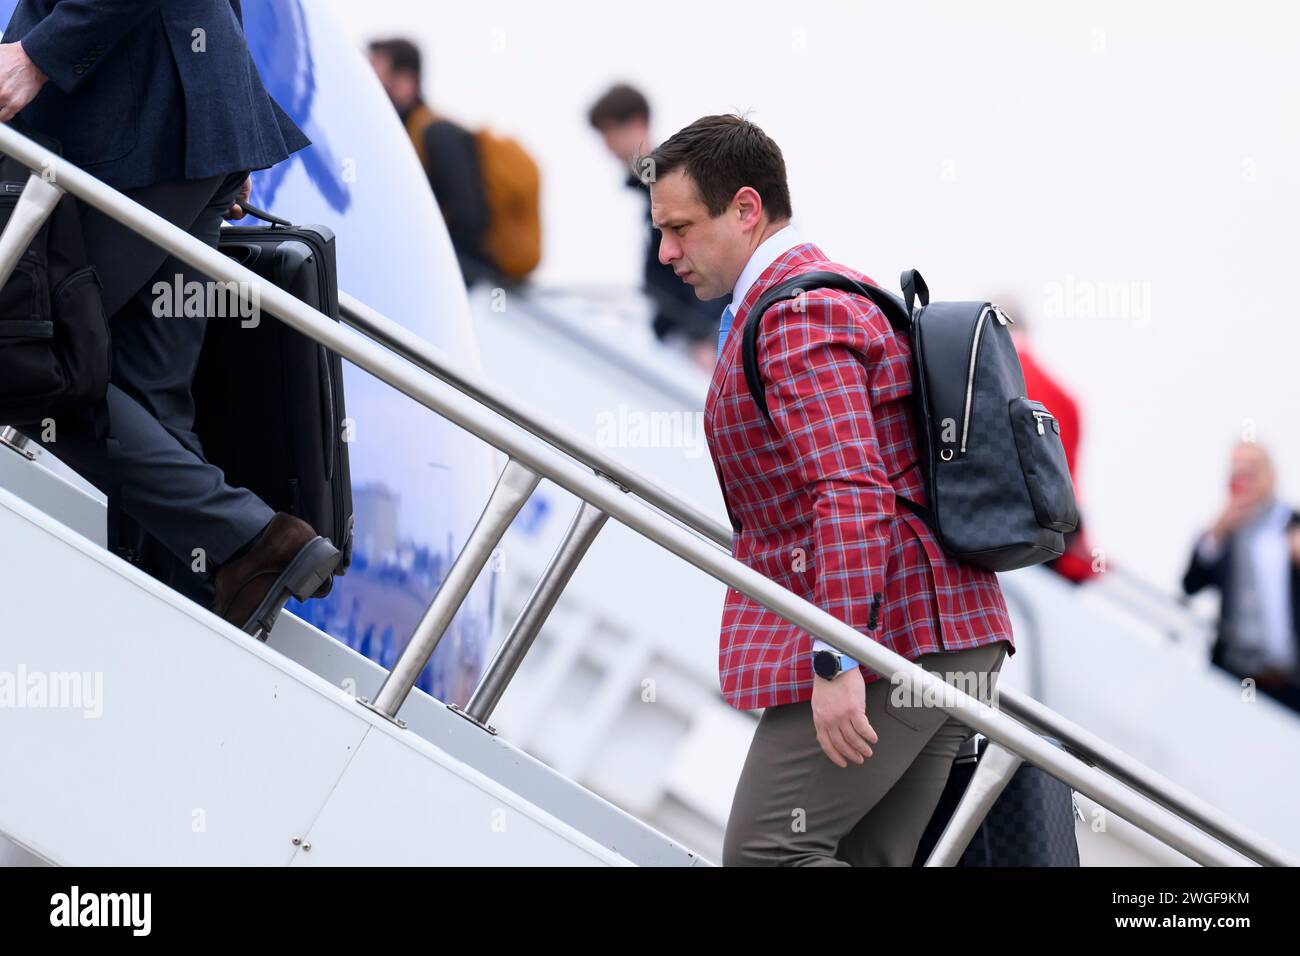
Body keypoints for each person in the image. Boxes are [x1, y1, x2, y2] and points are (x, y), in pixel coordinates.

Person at [644, 114, 1014, 866]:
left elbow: (851, 492)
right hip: (949, 636)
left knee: (768, 853)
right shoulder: (822, 291)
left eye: (680, 227)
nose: (666, 252)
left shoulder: (795, 315)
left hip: (895, 640)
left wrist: (837, 659)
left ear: (746, 209)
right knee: (863, 857)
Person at [0, 0, 340, 637]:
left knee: (29, 359)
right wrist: (219, 118)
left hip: (136, 122)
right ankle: (191, 605)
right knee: (145, 395)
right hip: (188, 124)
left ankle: (251, 541)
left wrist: (38, 56)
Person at [587, 83, 718, 370]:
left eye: (611, 133)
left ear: (637, 124)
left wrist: (706, 336)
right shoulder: (650, 186)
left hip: (697, 344)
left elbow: (709, 251)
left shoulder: (672, 183)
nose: (607, 147)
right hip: (677, 337)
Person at [1182, 441, 1300, 714]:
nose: (1243, 479)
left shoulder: (1292, 526)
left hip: (1289, 684)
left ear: (1270, 476)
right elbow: (1190, 584)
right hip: (1233, 677)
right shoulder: (1225, 531)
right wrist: (1218, 532)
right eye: (1237, 472)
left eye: (1252, 471)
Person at [367, 37, 495, 284]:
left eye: (377, 73)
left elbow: (470, 218)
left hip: (465, 279)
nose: (369, 84)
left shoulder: (437, 133)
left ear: (406, 82)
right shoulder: (400, 137)